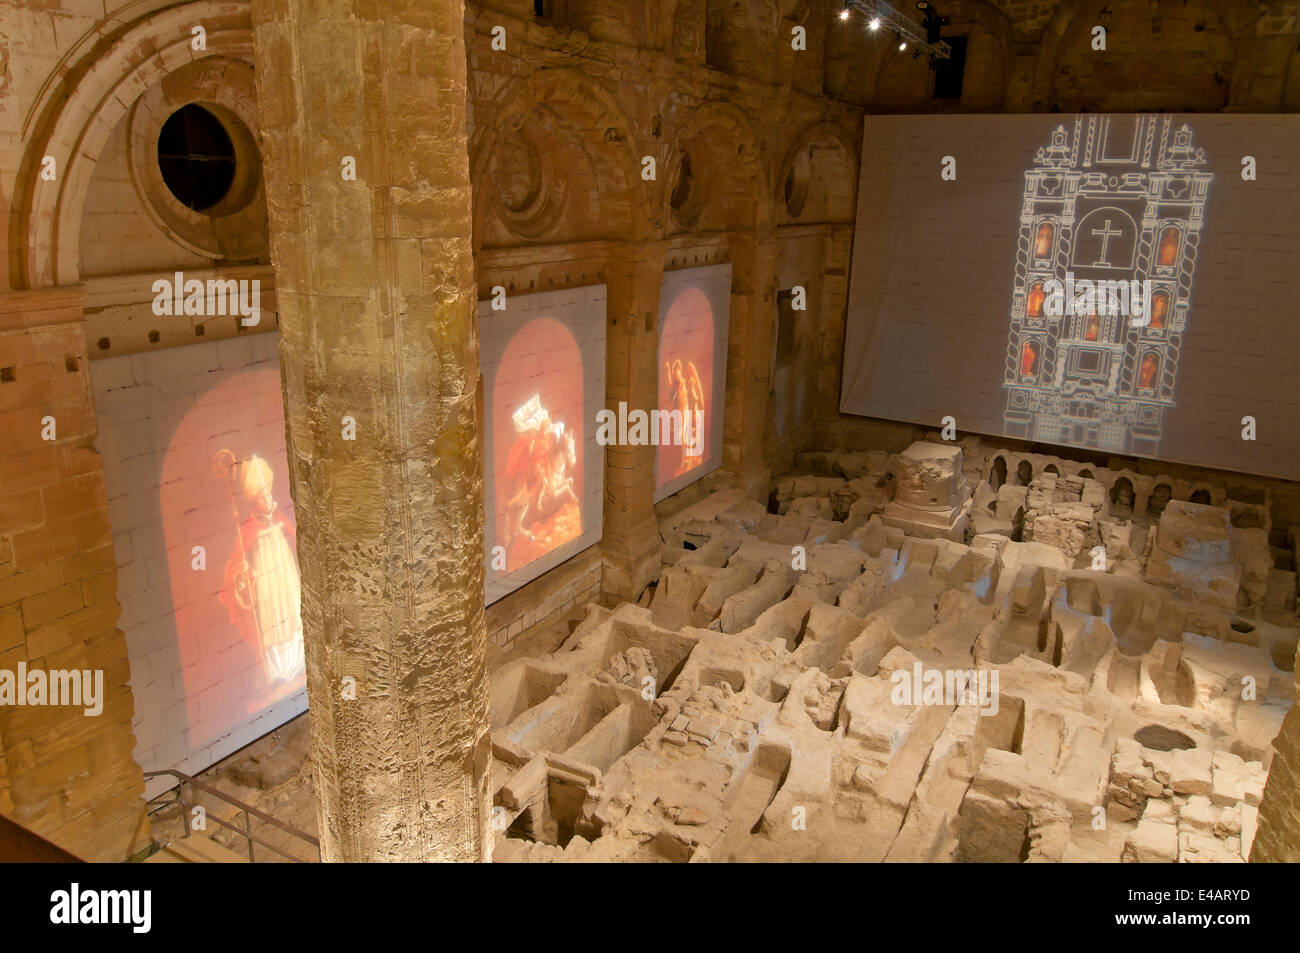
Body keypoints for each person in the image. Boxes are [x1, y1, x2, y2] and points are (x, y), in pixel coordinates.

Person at [219, 455, 305, 685]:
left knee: (291, 611)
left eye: (268, 494)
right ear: (255, 502)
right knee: (273, 617)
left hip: (285, 573)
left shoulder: (279, 517)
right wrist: (243, 571)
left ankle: (298, 662)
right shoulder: (248, 529)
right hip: (266, 580)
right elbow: (237, 563)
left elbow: (296, 539)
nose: (267, 499)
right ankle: (278, 671)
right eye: (262, 497)